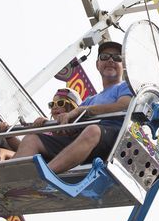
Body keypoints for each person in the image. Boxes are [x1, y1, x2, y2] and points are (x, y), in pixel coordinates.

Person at [11, 40, 132, 174]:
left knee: (93, 130)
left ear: (124, 66)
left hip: (112, 139)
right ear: (98, 65)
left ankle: (45, 175)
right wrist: (46, 124)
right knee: (32, 139)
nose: (110, 60)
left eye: (117, 58)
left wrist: (83, 110)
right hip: (84, 140)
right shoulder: (90, 100)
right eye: (104, 57)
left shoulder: (125, 86)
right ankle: (12, 180)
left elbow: (123, 106)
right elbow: (71, 127)